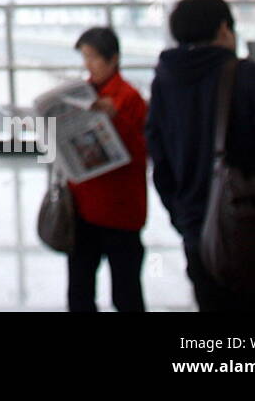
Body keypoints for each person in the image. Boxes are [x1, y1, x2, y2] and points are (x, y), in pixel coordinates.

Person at [146, 0, 255, 312]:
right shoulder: (247, 76)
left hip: (199, 236)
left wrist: (185, 219)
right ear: (224, 28)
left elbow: (160, 159)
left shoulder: (163, 83)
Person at [63, 26, 148, 312]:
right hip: (84, 207)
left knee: (125, 293)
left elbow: (140, 151)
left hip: (119, 209)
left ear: (113, 59)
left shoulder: (128, 97)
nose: (88, 65)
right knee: (80, 290)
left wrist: (115, 119)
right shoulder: (81, 95)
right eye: (84, 57)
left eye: (93, 57)